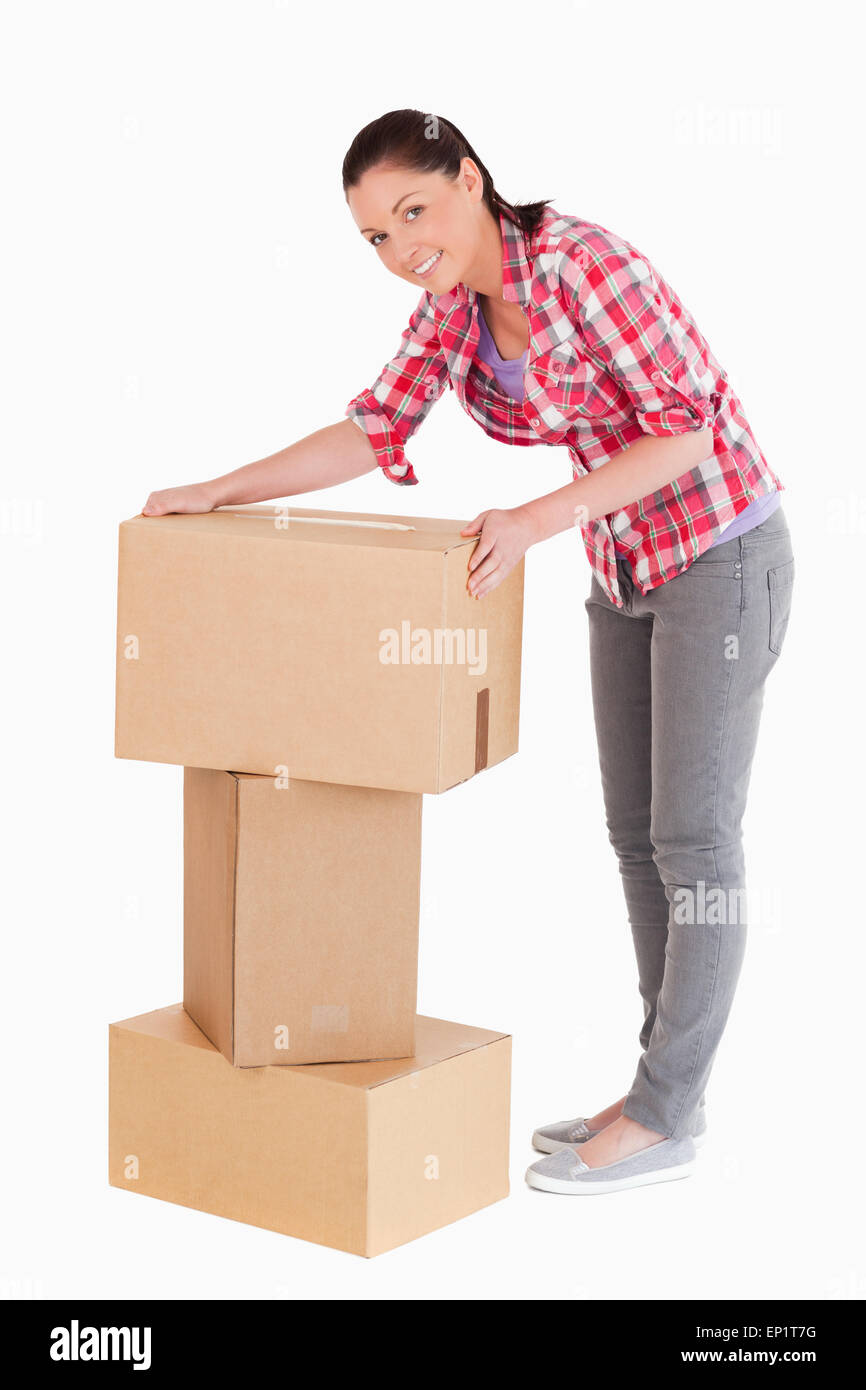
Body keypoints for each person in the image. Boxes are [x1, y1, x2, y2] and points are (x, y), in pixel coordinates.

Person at [143, 109, 795, 1197]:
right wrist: (218, 487)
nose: (403, 250)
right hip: (626, 565)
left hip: (719, 558)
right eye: (376, 238)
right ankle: (654, 1093)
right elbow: (373, 426)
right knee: (635, 838)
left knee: (693, 839)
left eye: (412, 211)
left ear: (470, 176)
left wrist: (535, 520)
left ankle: (667, 1112)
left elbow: (686, 429)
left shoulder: (587, 266)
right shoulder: (452, 308)